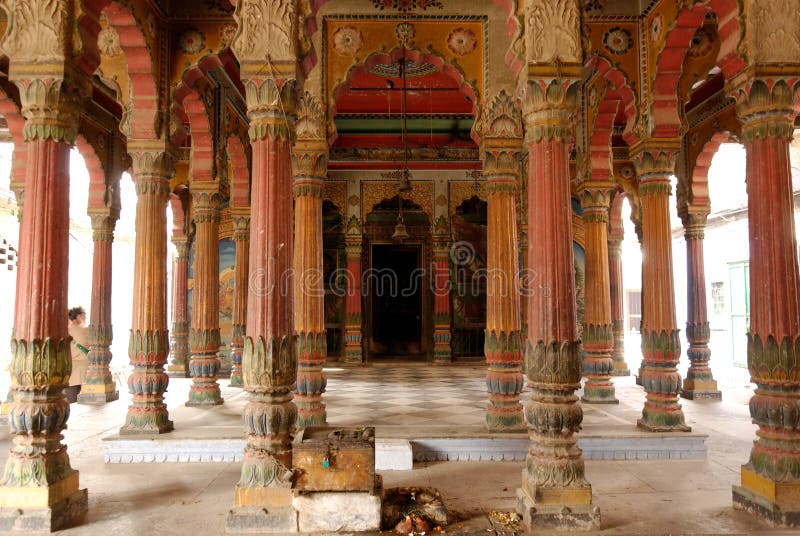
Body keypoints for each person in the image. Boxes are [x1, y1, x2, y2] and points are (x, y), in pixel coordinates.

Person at [66, 306, 89, 403]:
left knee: (71, 403)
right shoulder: (85, 331)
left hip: (69, 373)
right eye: (84, 314)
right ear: (78, 316)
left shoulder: (65, 331)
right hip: (85, 371)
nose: (85, 317)